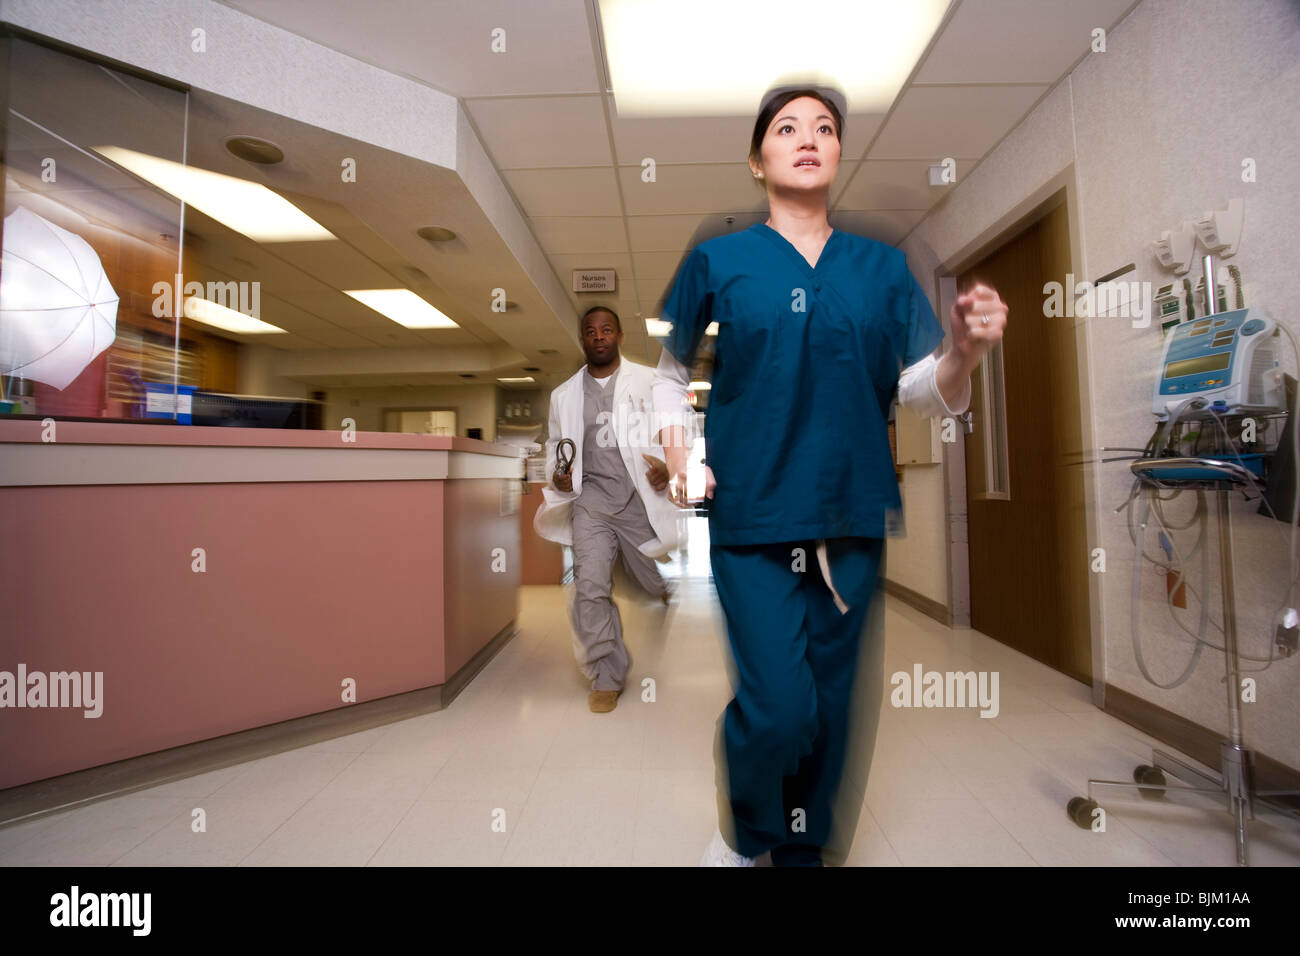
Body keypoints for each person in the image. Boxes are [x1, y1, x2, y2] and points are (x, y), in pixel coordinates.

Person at [651, 85, 1009, 865]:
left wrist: (963, 356)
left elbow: (919, 389)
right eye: (786, 128)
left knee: (836, 707)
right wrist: (683, 456)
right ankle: (749, 834)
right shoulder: (720, 260)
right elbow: (667, 377)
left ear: (838, 152)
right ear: (758, 160)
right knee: (780, 705)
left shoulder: (880, 269)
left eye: (824, 128)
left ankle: (806, 852)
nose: (808, 137)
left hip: (850, 514)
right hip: (752, 515)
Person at [535, 305, 690, 713]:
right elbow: (555, 448)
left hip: (637, 500)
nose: (599, 336)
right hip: (591, 504)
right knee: (590, 587)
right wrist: (558, 475)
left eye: (606, 330)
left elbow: (674, 427)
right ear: (583, 339)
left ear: (620, 336)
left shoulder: (648, 382)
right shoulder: (563, 395)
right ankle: (607, 672)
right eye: (590, 331)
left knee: (645, 570)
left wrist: (668, 464)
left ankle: (658, 587)